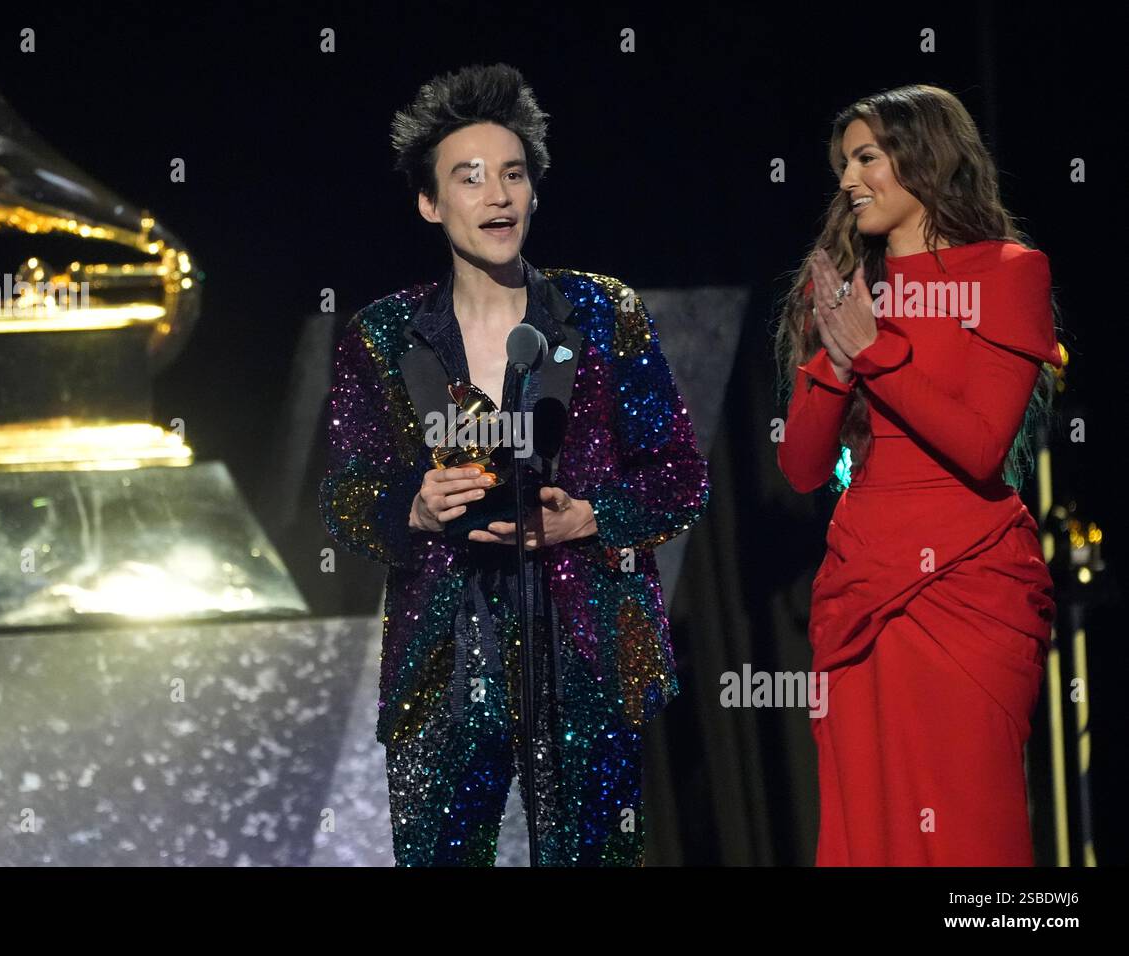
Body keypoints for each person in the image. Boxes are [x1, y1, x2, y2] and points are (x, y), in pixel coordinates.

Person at [318, 63, 709, 865]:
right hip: (446, 661)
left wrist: (591, 516)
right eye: (470, 178)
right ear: (430, 202)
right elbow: (347, 495)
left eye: (514, 174)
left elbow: (679, 474)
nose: (497, 195)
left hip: (586, 651)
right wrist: (413, 508)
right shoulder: (382, 336)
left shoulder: (602, 312)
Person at [775, 84, 1063, 865]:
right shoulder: (845, 290)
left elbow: (979, 447)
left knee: (974, 824)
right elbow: (802, 468)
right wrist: (837, 356)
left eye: (866, 157)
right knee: (875, 826)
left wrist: (875, 352)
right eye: (843, 163)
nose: (847, 179)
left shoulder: (1009, 272)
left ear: (926, 157)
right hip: (863, 586)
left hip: (967, 584)